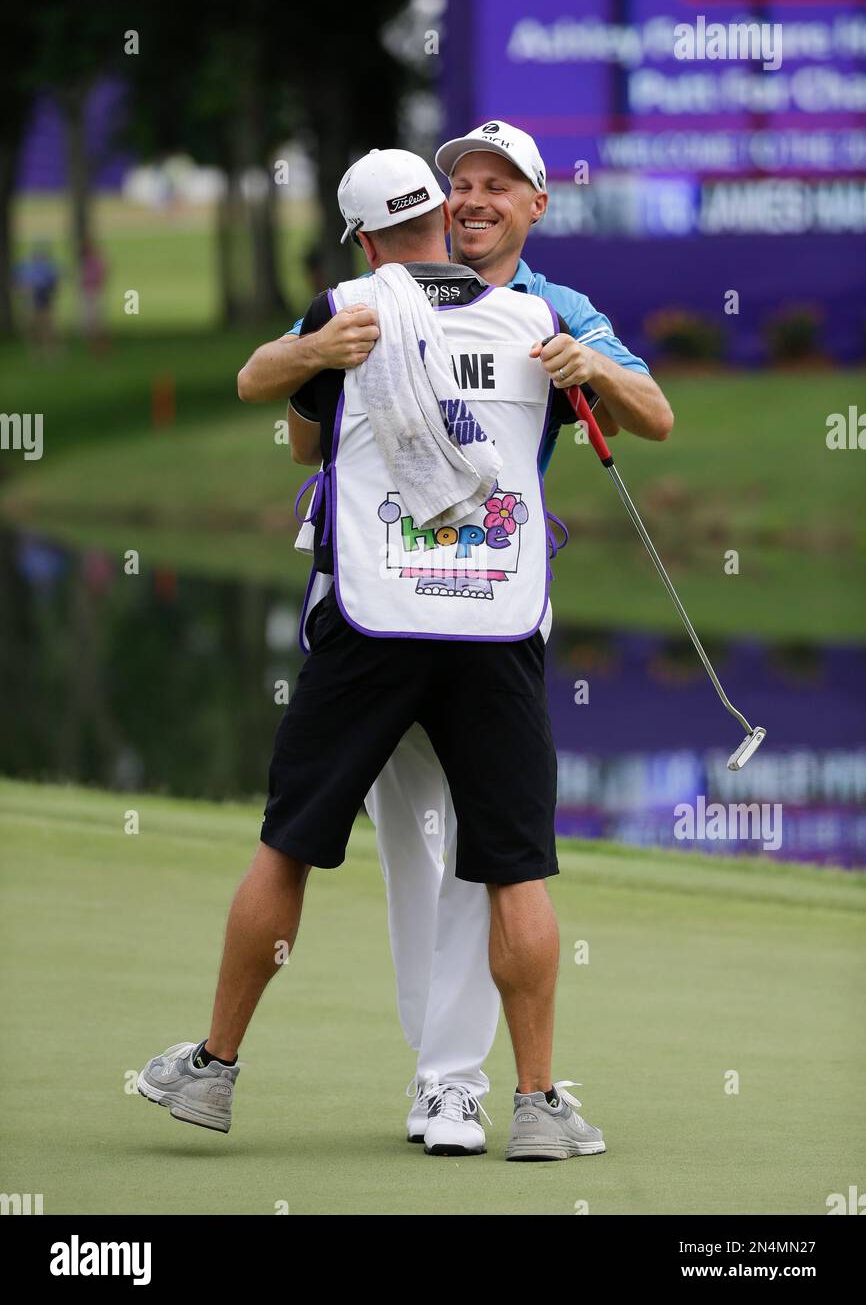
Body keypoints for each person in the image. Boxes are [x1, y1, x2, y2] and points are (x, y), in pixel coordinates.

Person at [139, 147, 610, 1162]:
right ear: (443, 214)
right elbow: (642, 416)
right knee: (514, 868)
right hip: (492, 630)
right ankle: (531, 1103)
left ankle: (214, 1070)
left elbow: (256, 385)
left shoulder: (343, 310)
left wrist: (318, 353)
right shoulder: (536, 319)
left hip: (371, 623)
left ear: (358, 234)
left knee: (290, 841)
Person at [233, 124, 673, 1155]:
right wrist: (328, 357)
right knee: (407, 853)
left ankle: (447, 1086)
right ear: (435, 203)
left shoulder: (552, 308)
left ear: (532, 205)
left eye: (496, 185)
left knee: (487, 860)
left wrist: (587, 370)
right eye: (459, 182)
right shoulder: (370, 294)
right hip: (375, 605)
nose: (473, 197)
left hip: (489, 615)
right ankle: (442, 1079)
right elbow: (300, 432)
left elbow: (651, 413)